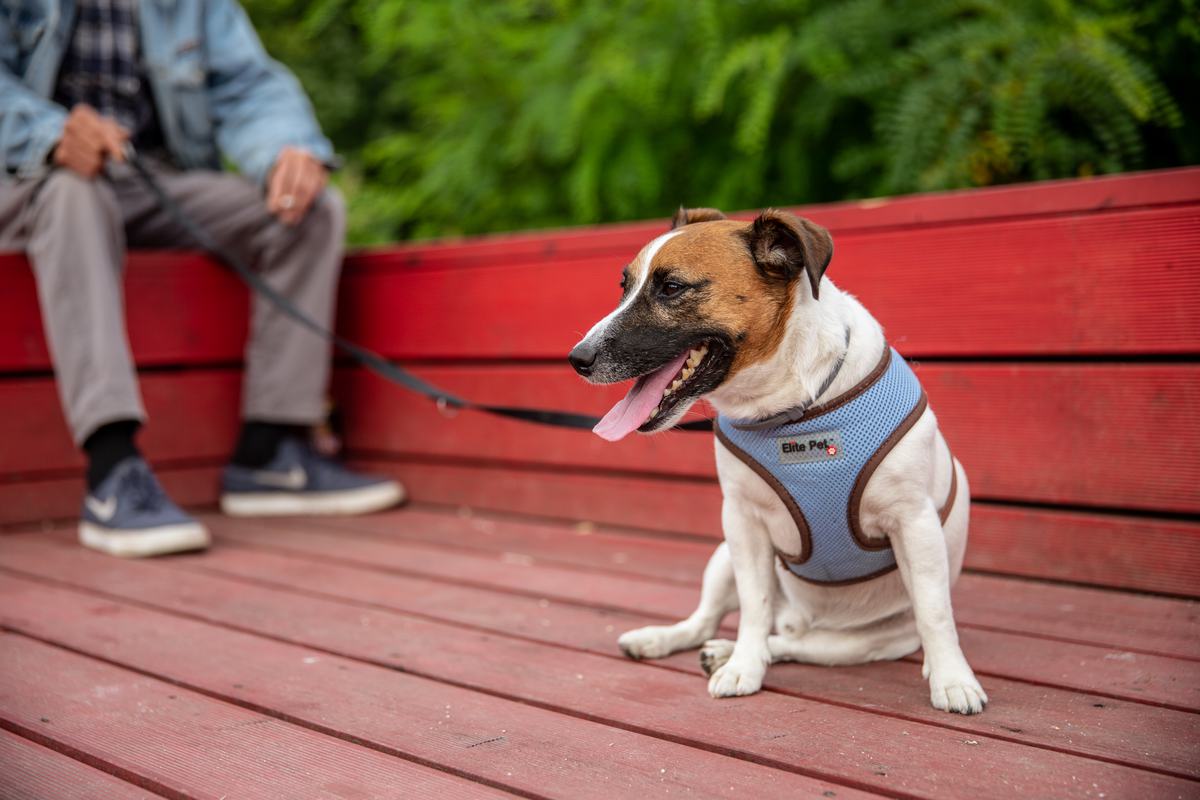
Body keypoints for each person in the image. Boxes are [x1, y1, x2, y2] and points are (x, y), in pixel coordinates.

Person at [0, 0, 404, 558]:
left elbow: (248, 85)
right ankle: (113, 470)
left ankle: (271, 452)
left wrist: (289, 149)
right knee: (75, 195)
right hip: (24, 175)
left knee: (311, 209)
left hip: (149, 179)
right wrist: (47, 134)